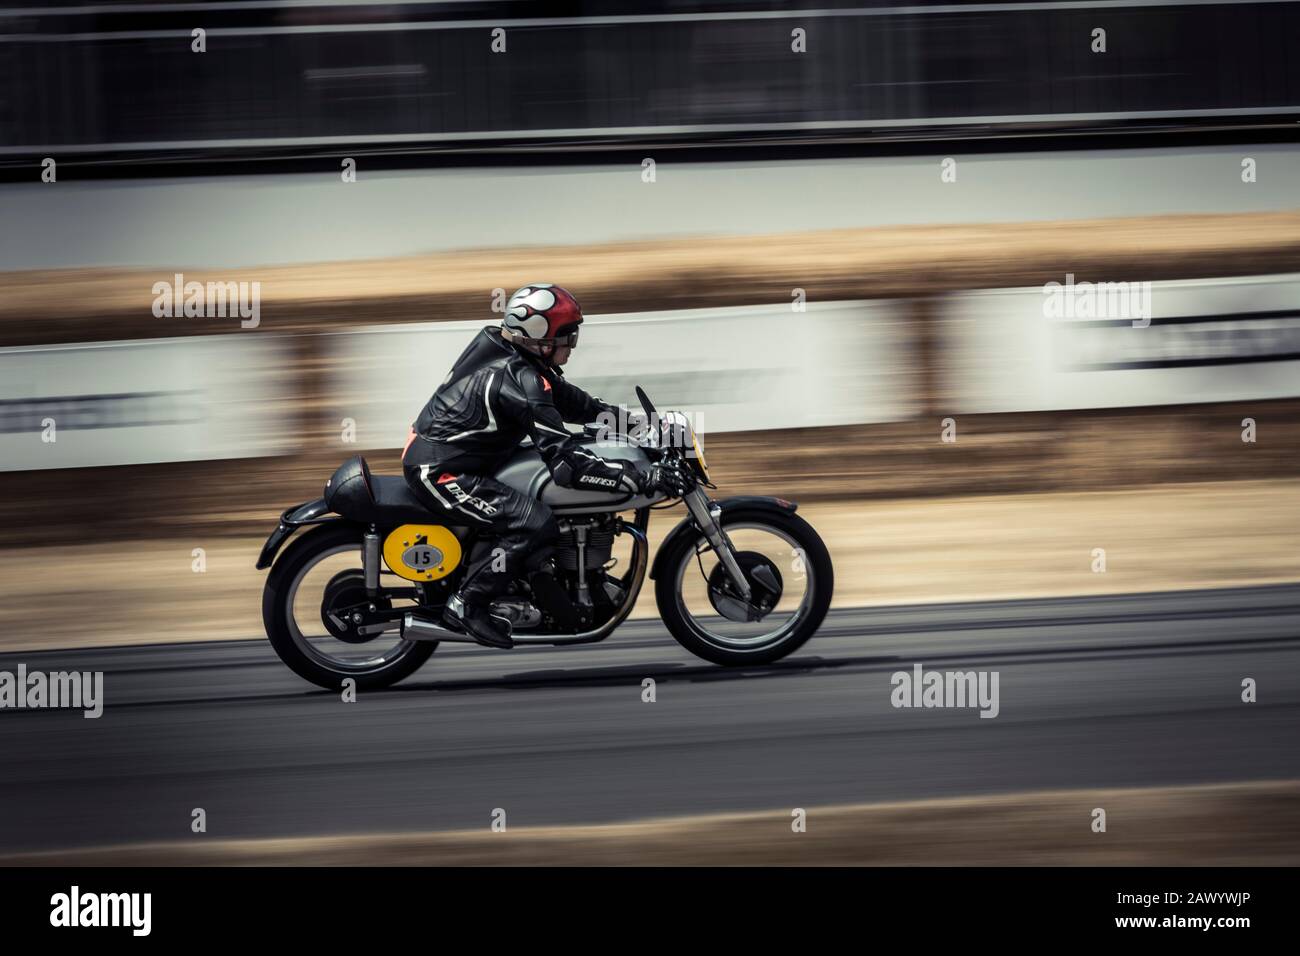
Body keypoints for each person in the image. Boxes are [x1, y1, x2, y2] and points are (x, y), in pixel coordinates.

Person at [401, 283, 677, 649]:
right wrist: (641, 477)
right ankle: (466, 604)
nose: (572, 343)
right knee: (532, 522)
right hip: (441, 472)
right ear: (539, 336)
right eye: (566, 335)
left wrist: (640, 427)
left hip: (470, 459)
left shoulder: (519, 360)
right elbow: (566, 465)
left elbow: (577, 404)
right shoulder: (519, 379)